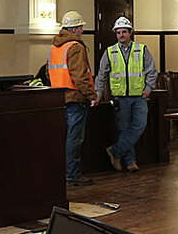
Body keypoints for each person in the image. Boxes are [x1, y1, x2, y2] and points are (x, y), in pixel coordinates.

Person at [95, 16, 158, 173]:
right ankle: (130, 162)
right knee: (124, 129)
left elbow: (151, 70)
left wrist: (149, 88)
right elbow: (101, 75)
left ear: (130, 33)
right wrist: (98, 94)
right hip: (120, 98)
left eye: (124, 32)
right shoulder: (110, 52)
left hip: (139, 96)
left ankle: (115, 151)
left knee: (139, 126)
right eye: (118, 32)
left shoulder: (141, 49)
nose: (121, 35)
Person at [47, 12, 96, 188]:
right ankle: (73, 174)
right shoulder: (75, 47)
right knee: (74, 139)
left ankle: (64, 173)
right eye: (81, 27)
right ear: (75, 29)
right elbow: (80, 76)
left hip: (58, 98)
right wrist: (92, 95)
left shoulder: (54, 47)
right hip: (75, 98)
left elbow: (48, 73)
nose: (82, 30)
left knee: (64, 138)